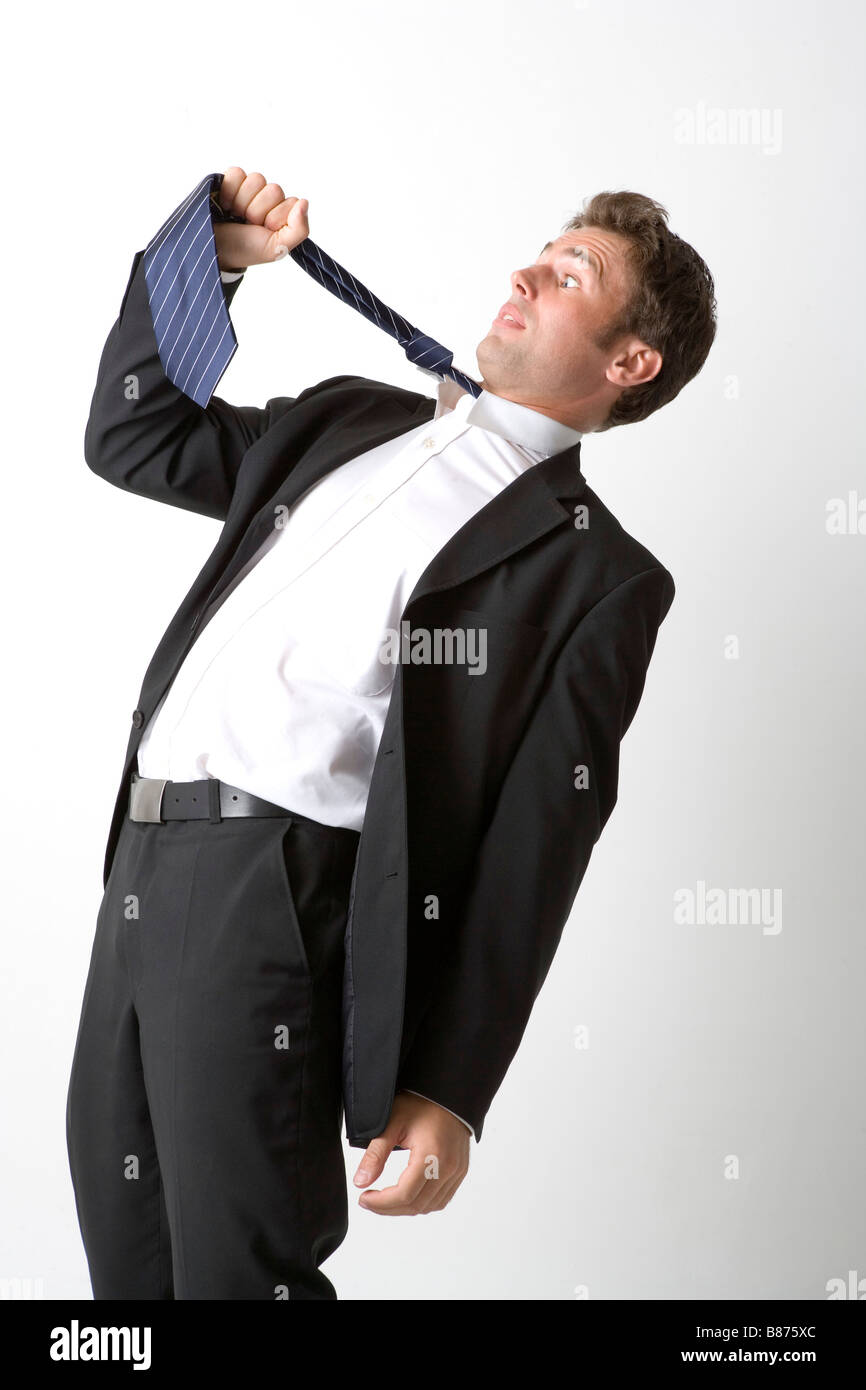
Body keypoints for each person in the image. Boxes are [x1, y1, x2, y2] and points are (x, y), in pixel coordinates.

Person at [65, 166, 717, 1299]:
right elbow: (135, 435)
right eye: (539, 251)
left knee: (237, 1273)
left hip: (272, 891)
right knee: (132, 1271)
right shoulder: (345, 420)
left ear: (629, 363)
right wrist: (207, 264)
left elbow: (534, 851)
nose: (521, 272)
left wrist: (449, 1086)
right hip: (142, 858)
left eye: (568, 274)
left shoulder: (594, 576)